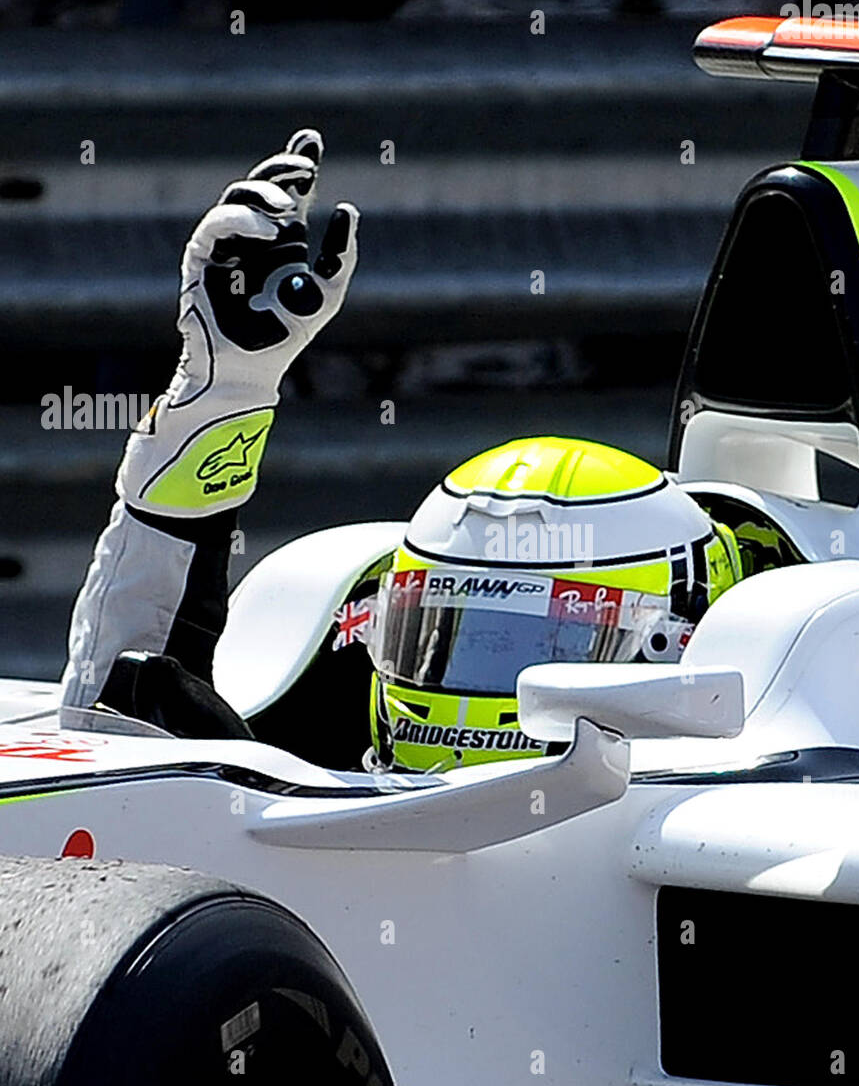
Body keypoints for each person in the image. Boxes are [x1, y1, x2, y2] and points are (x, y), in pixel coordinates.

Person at [60, 132, 743, 771]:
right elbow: (119, 719)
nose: (466, 687)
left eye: (546, 644)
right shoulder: (309, 801)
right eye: (440, 633)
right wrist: (225, 388)